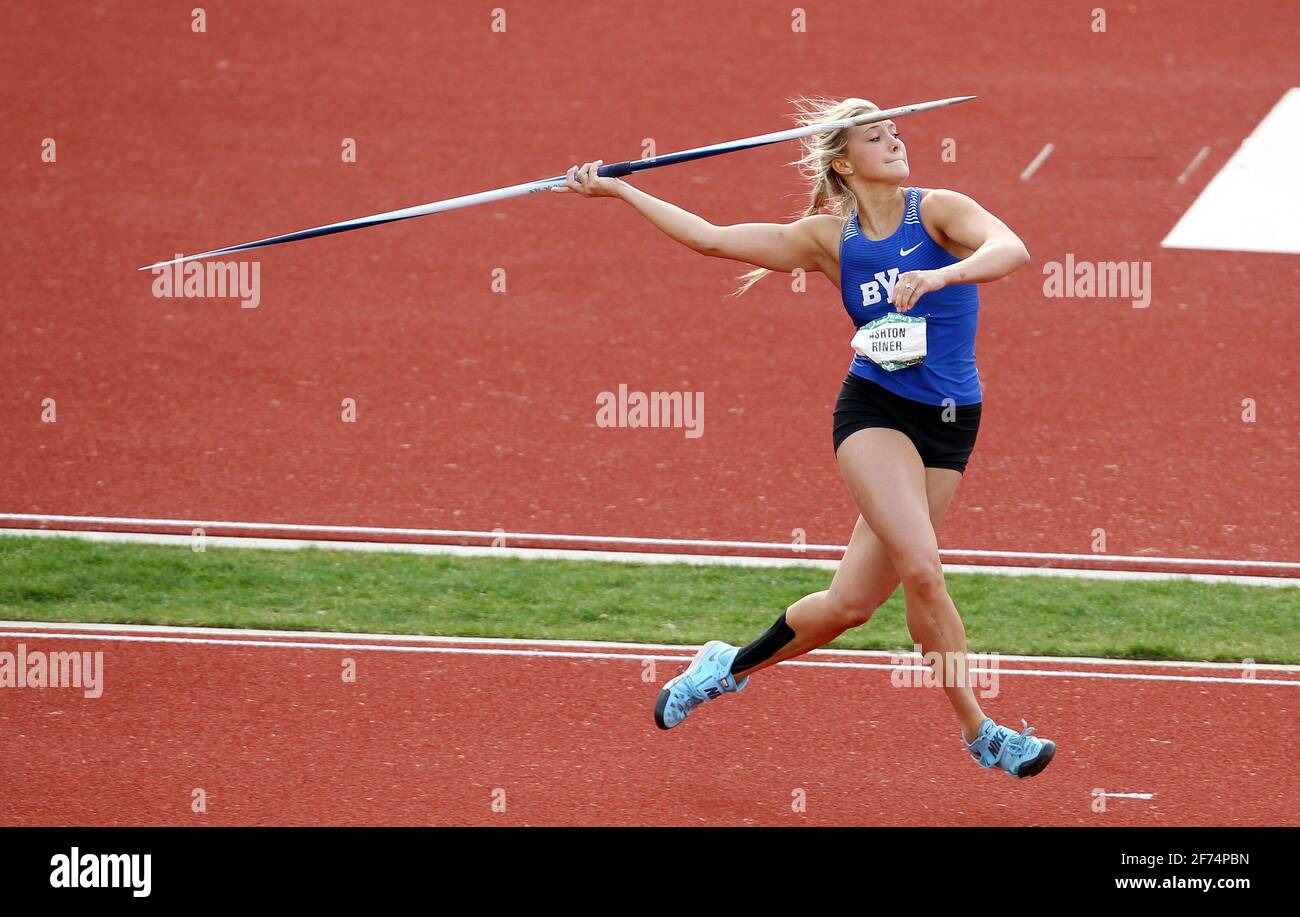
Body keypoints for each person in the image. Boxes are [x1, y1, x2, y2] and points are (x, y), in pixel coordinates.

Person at [553, 96, 1054, 779]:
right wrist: (618, 191)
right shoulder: (828, 239)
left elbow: (1012, 248)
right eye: (877, 139)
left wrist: (940, 273)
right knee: (924, 571)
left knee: (850, 604)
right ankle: (983, 732)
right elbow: (709, 237)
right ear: (845, 162)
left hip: (952, 420)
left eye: (896, 132)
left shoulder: (936, 210)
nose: (896, 143)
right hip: (875, 410)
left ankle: (722, 667)